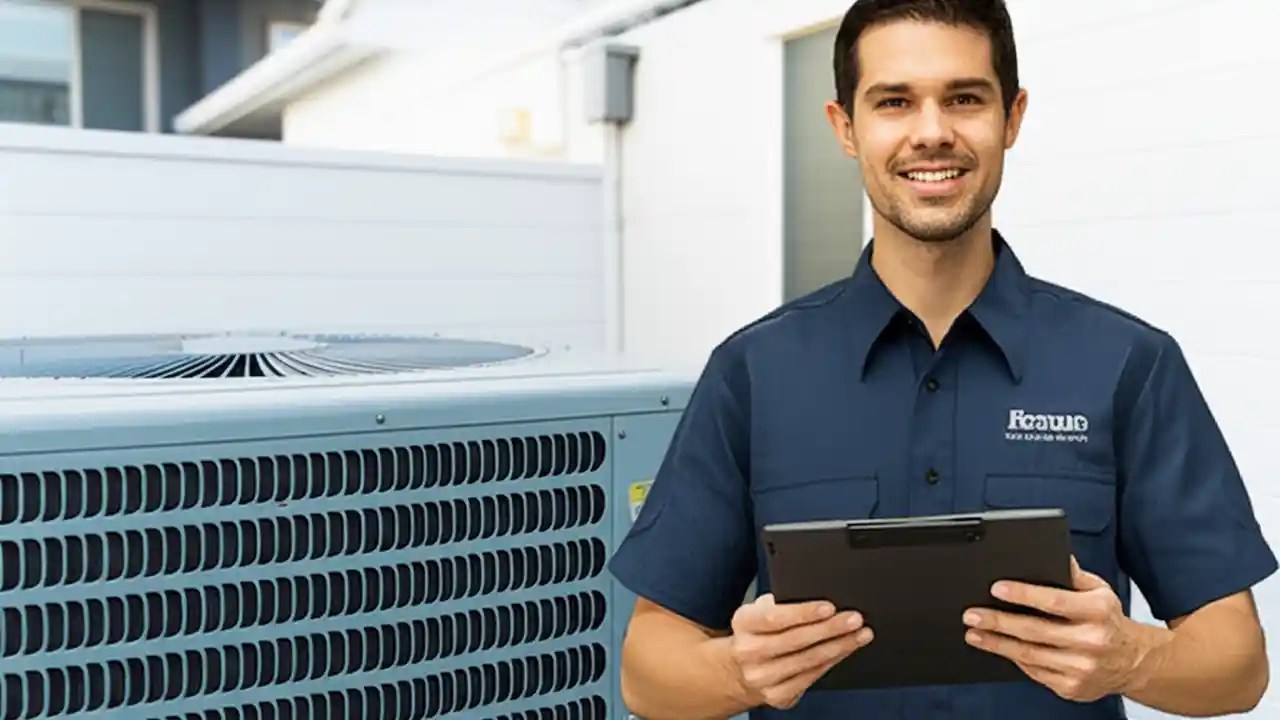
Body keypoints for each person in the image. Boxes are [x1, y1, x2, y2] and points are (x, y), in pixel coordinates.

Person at [606, 0, 1277, 718]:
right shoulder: (753, 372)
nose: (932, 133)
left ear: (1012, 117)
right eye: (894, 102)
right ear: (844, 128)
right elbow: (647, 670)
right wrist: (737, 672)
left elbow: (1237, 665)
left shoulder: (1128, 365)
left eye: (965, 98)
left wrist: (1131, 657)